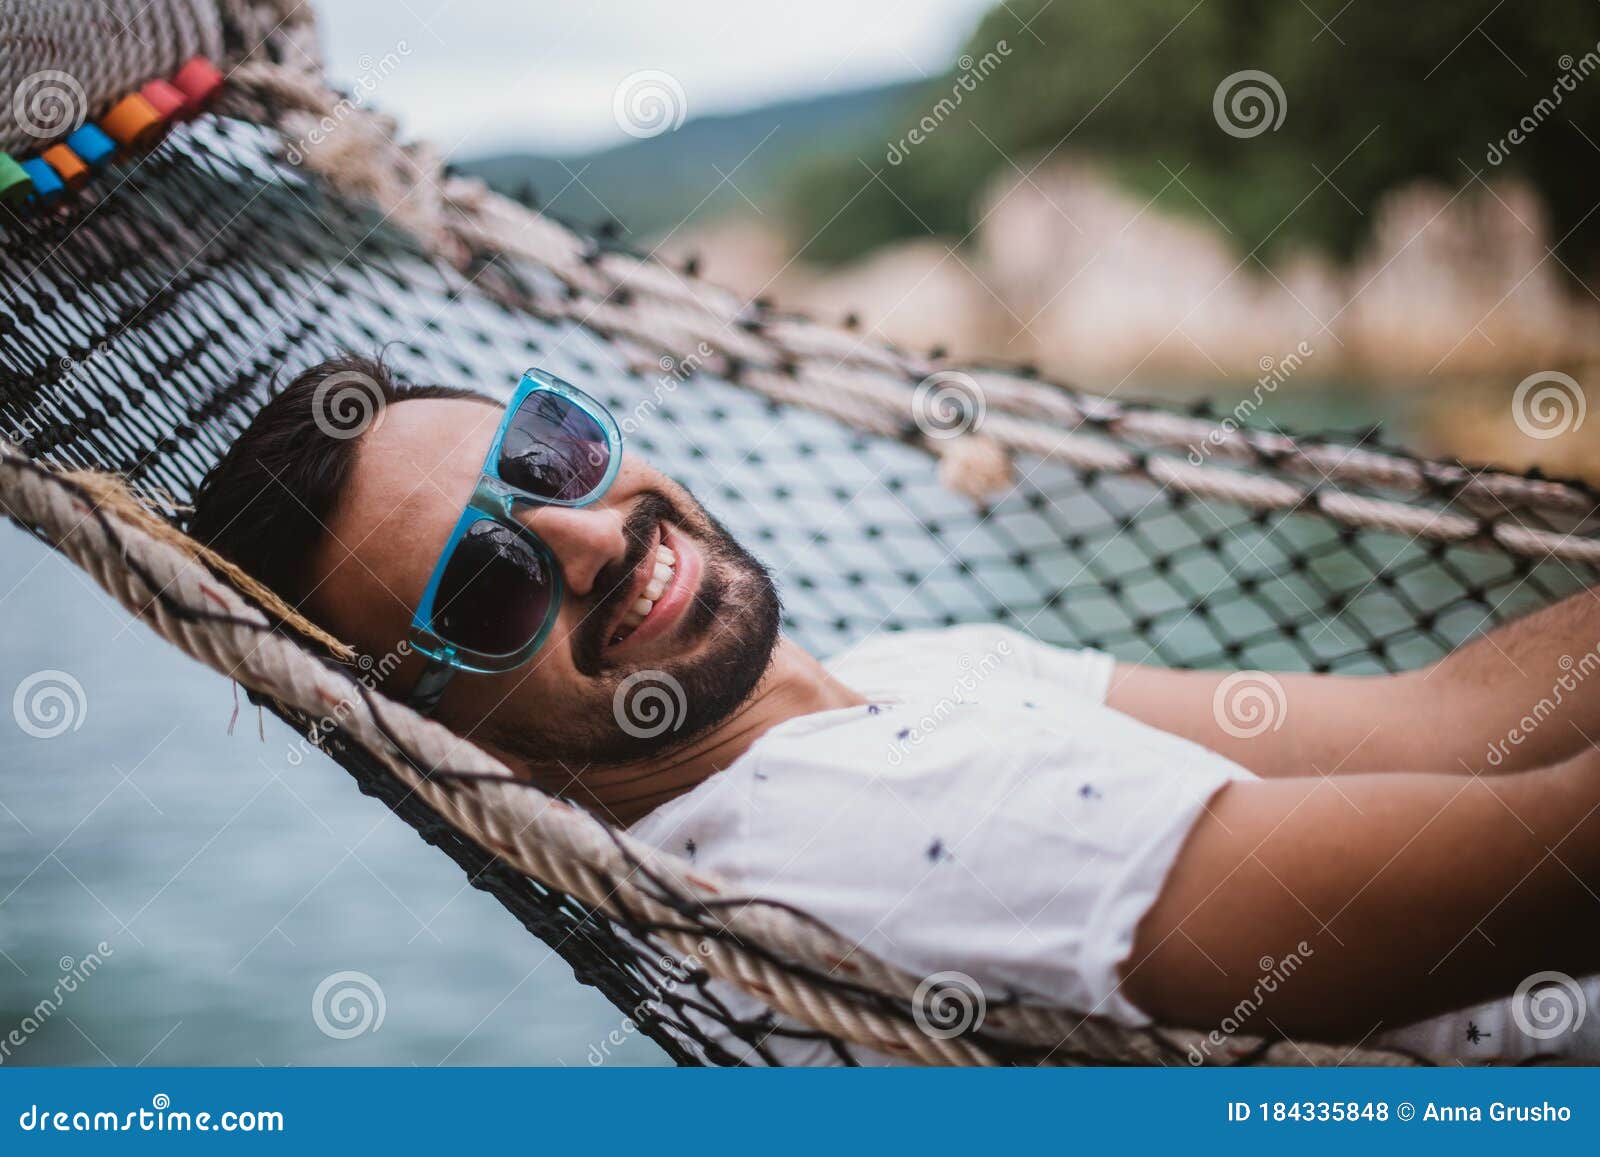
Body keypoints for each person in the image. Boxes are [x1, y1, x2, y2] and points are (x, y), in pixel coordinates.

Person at [190, 354, 1600, 1065]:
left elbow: (1441, 725)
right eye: (488, 583)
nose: (588, 537)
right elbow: (1548, 871)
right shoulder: (845, 844)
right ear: (449, 734)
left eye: (545, 455)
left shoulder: (901, 678)